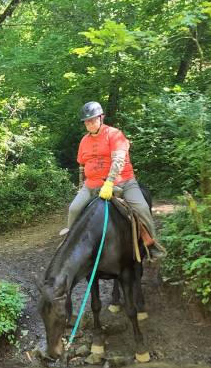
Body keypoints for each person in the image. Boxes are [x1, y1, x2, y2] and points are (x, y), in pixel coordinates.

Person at [60, 101, 165, 261]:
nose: (90, 123)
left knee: (142, 207)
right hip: (92, 184)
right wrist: (82, 186)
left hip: (122, 182)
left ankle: (150, 245)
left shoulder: (115, 134)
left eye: (93, 119)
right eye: (87, 121)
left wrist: (109, 183)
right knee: (74, 208)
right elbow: (82, 165)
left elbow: (118, 161)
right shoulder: (84, 141)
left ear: (101, 117)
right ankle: (70, 243)